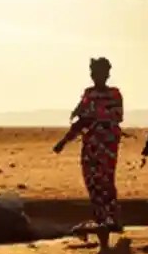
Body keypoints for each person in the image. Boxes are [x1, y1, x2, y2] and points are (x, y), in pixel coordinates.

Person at [53, 56, 124, 234]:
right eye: (93, 73)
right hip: (91, 145)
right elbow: (81, 120)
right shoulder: (88, 94)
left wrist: (92, 118)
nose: (95, 76)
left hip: (107, 146)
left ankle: (112, 218)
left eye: (99, 73)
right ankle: (101, 219)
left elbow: (115, 116)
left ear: (107, 74)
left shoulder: (114, 94)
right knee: (91, 181)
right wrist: (65, 140)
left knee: (106, 180)